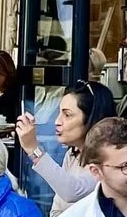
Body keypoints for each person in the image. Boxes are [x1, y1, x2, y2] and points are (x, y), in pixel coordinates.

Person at [14, 80, 108, 208]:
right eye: (59, 113)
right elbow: (58, 206)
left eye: (67, 115)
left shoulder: (107, 157)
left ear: (91, 117)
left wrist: (33, 149)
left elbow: (72, 191)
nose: (57, 121)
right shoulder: (72, 154)